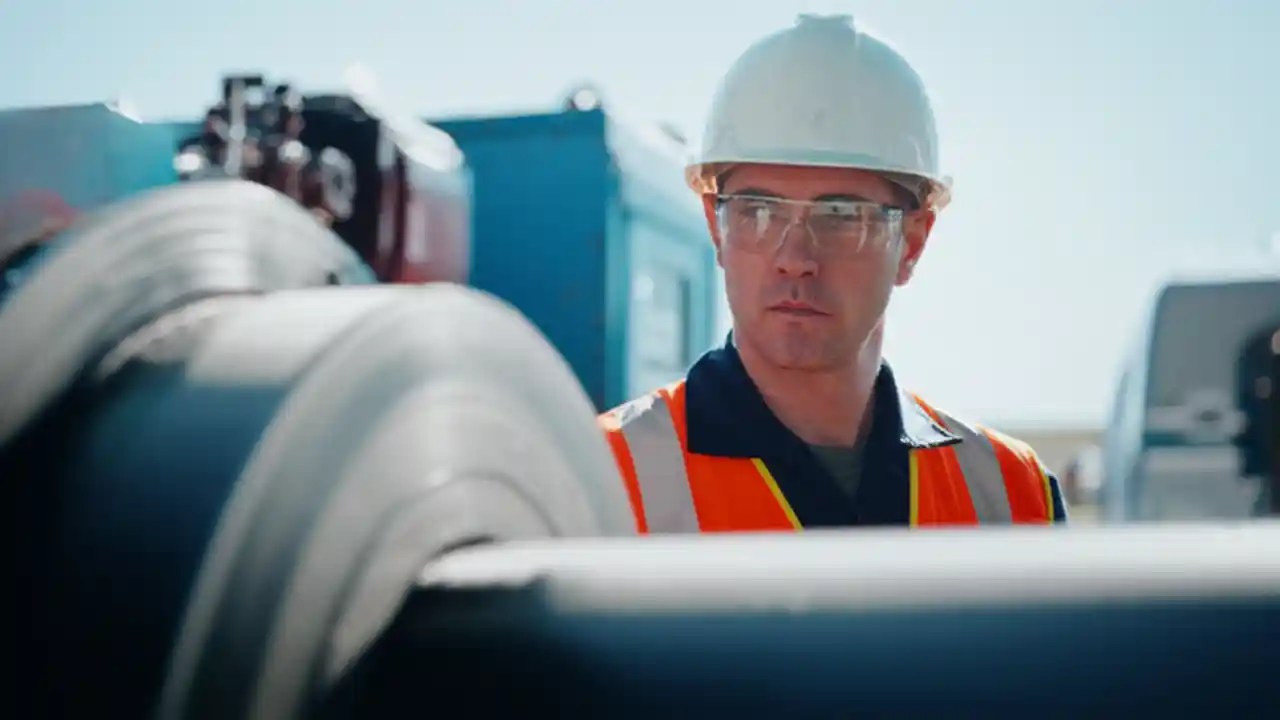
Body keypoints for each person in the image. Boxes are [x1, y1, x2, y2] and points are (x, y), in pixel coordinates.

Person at [599, 13, 1069, 533]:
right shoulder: (602, 479)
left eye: (842, 217)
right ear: (717, 227)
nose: (796, 256)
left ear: (912, 242)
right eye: (759, 211)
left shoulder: (1010, 495)